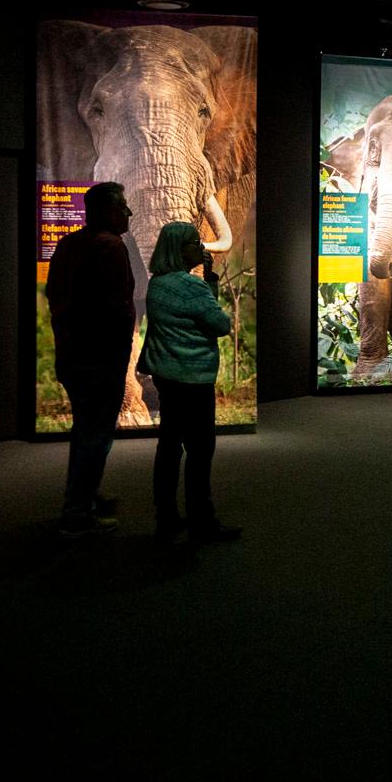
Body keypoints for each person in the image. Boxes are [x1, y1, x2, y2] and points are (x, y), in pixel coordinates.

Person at [139, 221, 241, 544]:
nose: (201, 246)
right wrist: (208, 282)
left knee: (169, 447)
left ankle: (166, 517)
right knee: (200, 449)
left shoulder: (157, 285)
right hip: (194, 379)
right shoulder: (192, 287)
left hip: (166, 377)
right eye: (195, 242)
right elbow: (220, 324)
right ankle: (202, 521)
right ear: (179, 250)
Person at [45, 180, 135, 537]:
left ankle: (85, 496)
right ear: (107, 211)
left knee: (86, 432)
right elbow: (116, 307)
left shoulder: (68, 244)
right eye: (122, 207)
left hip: (72, 356)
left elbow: (54, 295)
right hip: (101, 360)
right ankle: (77, 515)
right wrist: (120, 352)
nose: (128, 213)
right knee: (94, 436)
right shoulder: (110, 247)